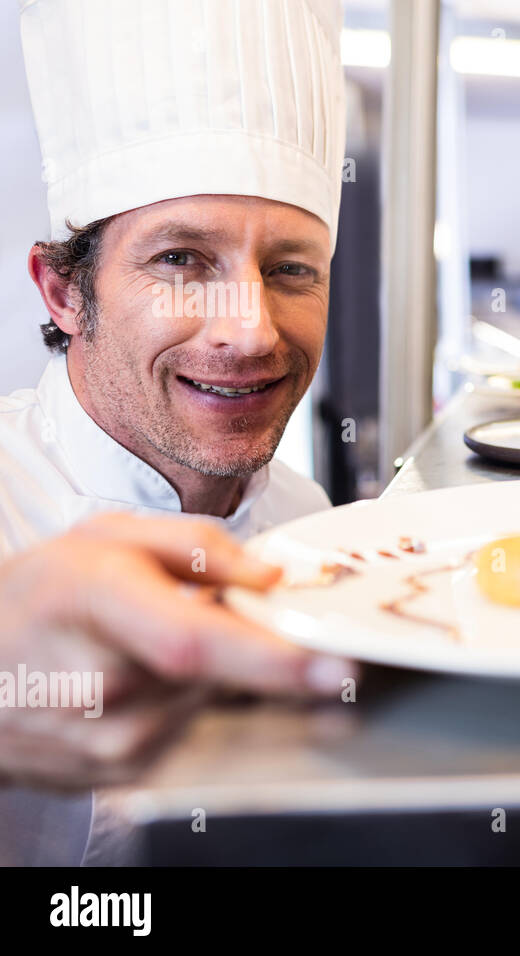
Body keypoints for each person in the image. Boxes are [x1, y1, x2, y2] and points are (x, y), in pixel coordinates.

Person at [0, 0, 356, 864]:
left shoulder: (312, 523)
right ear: (63, 292)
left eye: (289, 270)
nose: (252, 332)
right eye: (180, 260)